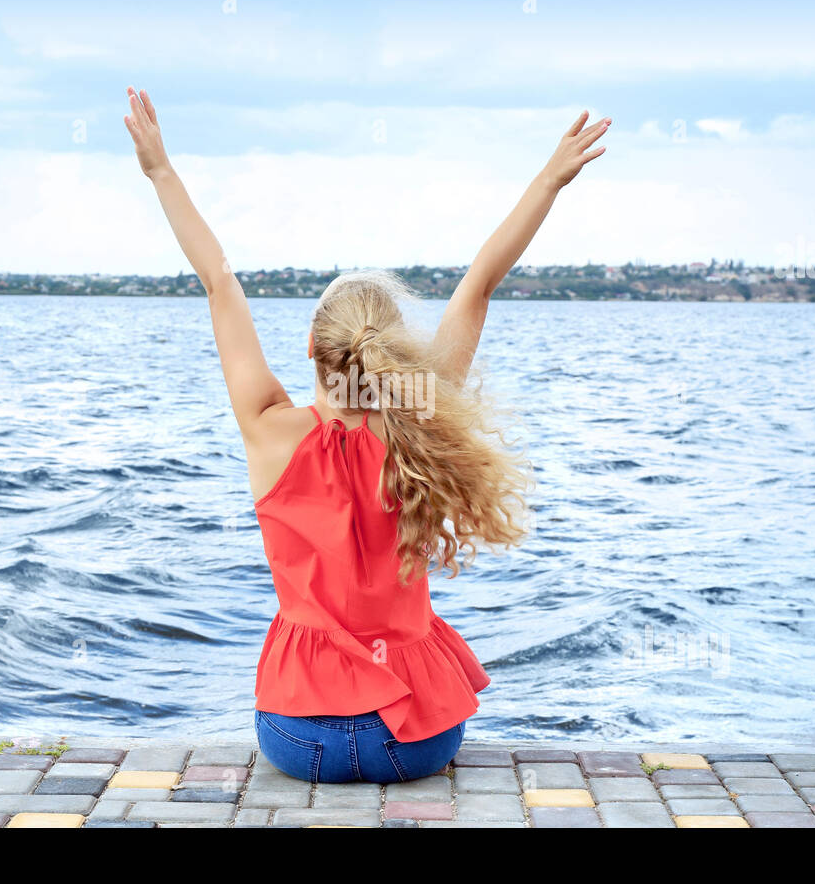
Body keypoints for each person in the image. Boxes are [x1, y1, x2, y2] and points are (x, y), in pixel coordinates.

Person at [124, 86, 610, 783]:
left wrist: (160, 171)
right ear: (396, 355)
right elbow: (478, 285)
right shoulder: (420, 421)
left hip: (298, 737)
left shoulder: (270, 432)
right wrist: (550, 178)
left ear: (311, 347)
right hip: (414, 740)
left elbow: (218, 280)